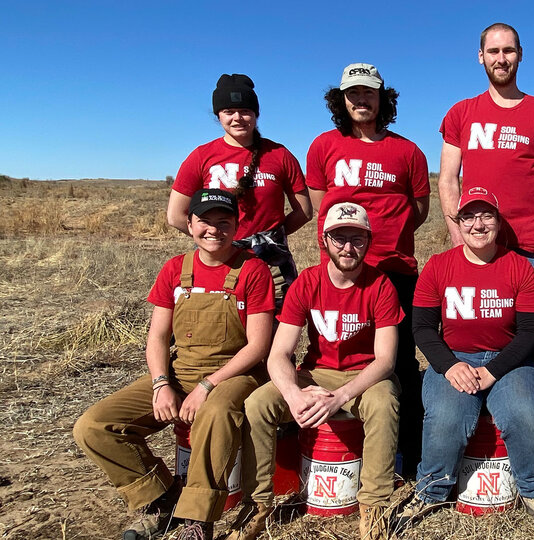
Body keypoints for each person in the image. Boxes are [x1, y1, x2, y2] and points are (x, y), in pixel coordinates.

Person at [74, 189, 274, 540]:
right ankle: (160, 498)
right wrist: (161, 383)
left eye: (223, 222)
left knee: (216, 413)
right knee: (94, 426)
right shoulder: (174, 269)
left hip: (237, 374)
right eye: (204, 222)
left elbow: (258, 347)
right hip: (181, 372)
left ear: (236, 225)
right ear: (189, 224)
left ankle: (198, 519)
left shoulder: (253, 269)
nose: (213, 230)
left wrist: (207, 386)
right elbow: (157, 338)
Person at [396, 187, 534, 538]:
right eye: (469, 217)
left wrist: (494, 370)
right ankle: (431, 490)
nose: (478, 224)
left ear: (499, 221)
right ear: (458, 223)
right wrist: (449, 366)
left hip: (509, 361)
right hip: (455, 358)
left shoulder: (519, 268)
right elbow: (423, 328)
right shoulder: (438, 266)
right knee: (447, 416)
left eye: (486, 215)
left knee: (526, 412)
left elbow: (531, 333)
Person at [226, 203, 403, 540]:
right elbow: (279, 353)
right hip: (316, 372)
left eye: (357, 239)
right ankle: (260, 502)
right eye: (339, 238)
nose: (348, 248)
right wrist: (293, 394)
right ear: (324, 240)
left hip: (364, 376)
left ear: (369, 241)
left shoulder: (381, 286)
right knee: (258, 404)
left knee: (384, 404)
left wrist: (342, 396)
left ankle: (374, 506)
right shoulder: (307, 282)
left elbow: (385, 361)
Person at [306, 62, 430, 475]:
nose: (361, 100)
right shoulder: (324, 146)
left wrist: (388, 234)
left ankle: (410, 455)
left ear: (382, 97)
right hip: (340, 273)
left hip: (394, 271)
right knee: (336, 352)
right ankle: (337, 447)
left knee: (401, 363)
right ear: (342, 100)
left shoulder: (408, 151)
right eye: (353, 93)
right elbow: (320, 205)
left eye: (369, 93)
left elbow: (419, 209)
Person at [438, 22, 534, 283]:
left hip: (531, 250)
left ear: (520, 53)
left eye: (508, 51)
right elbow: (448, 180)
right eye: (493, 51)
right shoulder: (460, 113)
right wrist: (456, 237)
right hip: (478, 243)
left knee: (531, 325)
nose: (501, 59)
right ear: (480, 56)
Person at [168, 73, 311, 309]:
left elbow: (304, 211)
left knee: (277, 327)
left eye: (245, 111)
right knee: (220, 325)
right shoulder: (202, 156)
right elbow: (175, 215)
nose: (238, 118)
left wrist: (269, 239)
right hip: (218, 260)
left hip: (271, 264)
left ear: (256, 114)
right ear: (218, 116)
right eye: (229, 112)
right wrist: (213, 238)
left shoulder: (280, 155)